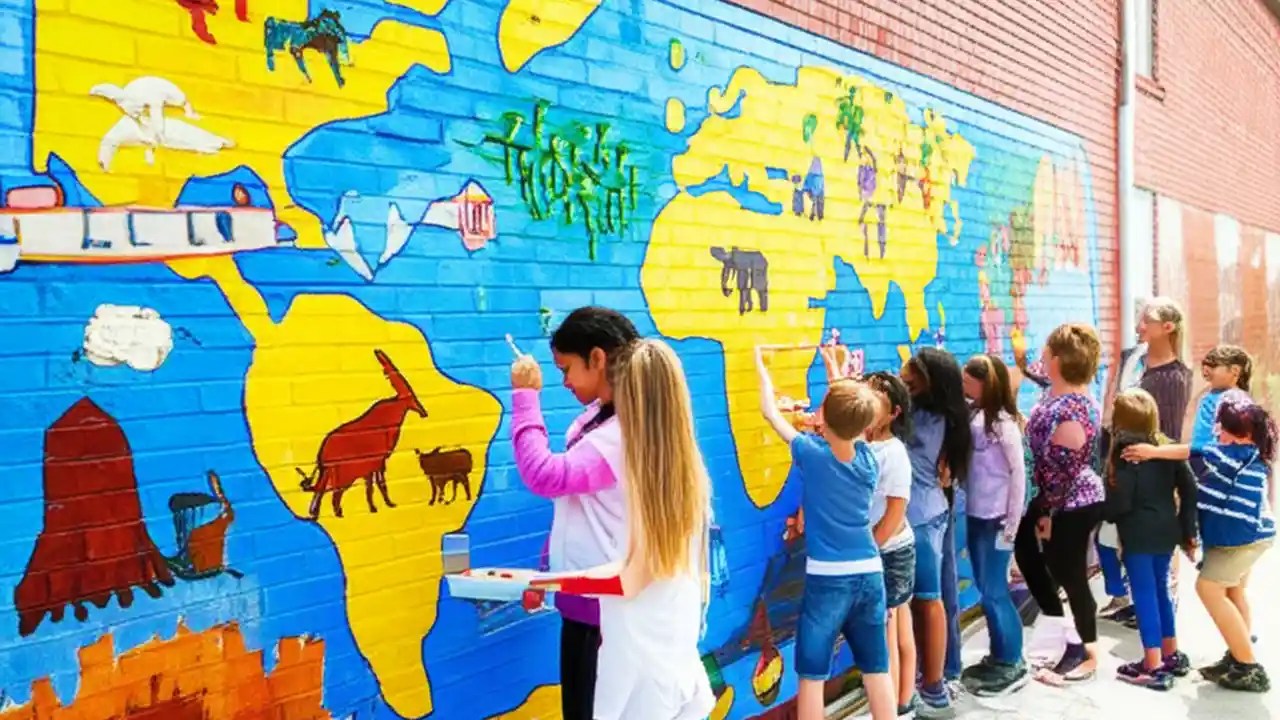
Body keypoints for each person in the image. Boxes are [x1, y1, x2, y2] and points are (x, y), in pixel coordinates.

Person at [535, 339, 716, 719]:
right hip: (669, 659)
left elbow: (627, 580)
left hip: (637, 665)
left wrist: (552, 582)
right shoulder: (685, 478)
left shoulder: (655, 485)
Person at [508, 306, 639, 720]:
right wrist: (548, 575)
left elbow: (544, 475)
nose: (563, 382)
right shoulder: (598, 419)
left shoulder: (621, 435)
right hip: (582, 598)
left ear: (598, 359)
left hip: (604, 609)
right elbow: (574, 508)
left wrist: (526, 398)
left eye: (566, 369)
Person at [757, 348, 897, 720]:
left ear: (824, 419)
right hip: (869, 573)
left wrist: (760, 366)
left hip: (828, 581)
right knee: (876, 668)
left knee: (812, 674)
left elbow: (770, 413)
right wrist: (834, 371)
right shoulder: (868, 458)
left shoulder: (812, 454)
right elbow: (851, 412)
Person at [1123, 390, 1277, 692]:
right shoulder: (1252, 454)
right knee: (1233, 592)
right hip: (1252, 535)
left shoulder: (1232, 454)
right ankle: (1238, 655)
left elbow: (1191, 451)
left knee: (1208, 588)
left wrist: (1151, 451)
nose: (1217, 431)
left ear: (1243, 434)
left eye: (1223, 426)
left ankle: (1248, 667)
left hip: (1240, 541)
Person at [1015, 323, 1105, 685]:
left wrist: (1048, 512)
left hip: (1071, 504)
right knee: (1052, 567)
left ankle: (1087, 651)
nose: (1042, 359)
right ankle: (1068, 638)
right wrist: (1021, 363)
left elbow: (1062, 470)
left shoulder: (1071, 411)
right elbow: (1037, 376)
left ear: (1058, 360)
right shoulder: (1063, 394)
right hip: (1059, 502)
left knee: (1071, 576)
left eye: (1047, 353)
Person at [1102, 389, 1198, 690]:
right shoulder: (1165, 447)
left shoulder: (1127, 452)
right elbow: (1190, 488)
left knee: (1143, 595)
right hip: (1166, 532)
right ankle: (1170, 653)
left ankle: (1152, 665)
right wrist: (1187, 531)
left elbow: (1123, 502)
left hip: (1138, 535)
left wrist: (1103, 511)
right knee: (1160, 592)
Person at [900, 348, 972, 718]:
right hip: (933, 512)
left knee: (929, 600)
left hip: (922, 517)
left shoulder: (924, 420)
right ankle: (938, 678)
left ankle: (935, 684)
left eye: (910, 378)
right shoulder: (950, 417)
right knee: (935, 598)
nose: (903, 381)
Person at [958, 355, 1028, 696]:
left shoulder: (1003, 423)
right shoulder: (974, 415)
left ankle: (1012, 658)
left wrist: (1012, 523)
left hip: (997, 519)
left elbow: (1018, 475)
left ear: (983, 383)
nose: (963, 386)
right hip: (976, 516)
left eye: (968, 380)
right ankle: (998, 653)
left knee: (996, 591)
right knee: (986, 591)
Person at [863, 371, 921, 717]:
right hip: (884, 548)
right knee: (897, 628)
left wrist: (868, 551)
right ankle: (903, 702)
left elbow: (895, 513)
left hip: (890, 550)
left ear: (894, 413)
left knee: (891, 637)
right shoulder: (867, 445)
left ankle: (896, 707)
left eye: (876, 403)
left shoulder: (893, 452)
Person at [1096, 297, 1154, 622]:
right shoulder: (1129, 356)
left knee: (1129, 541)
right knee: (1106, 535)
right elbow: (1111, 392)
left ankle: (1136, 602)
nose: (1137, 324)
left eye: (1143, 319)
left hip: (1140, 458)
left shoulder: (1165, 369)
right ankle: (1119, 596)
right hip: (1115, 447)